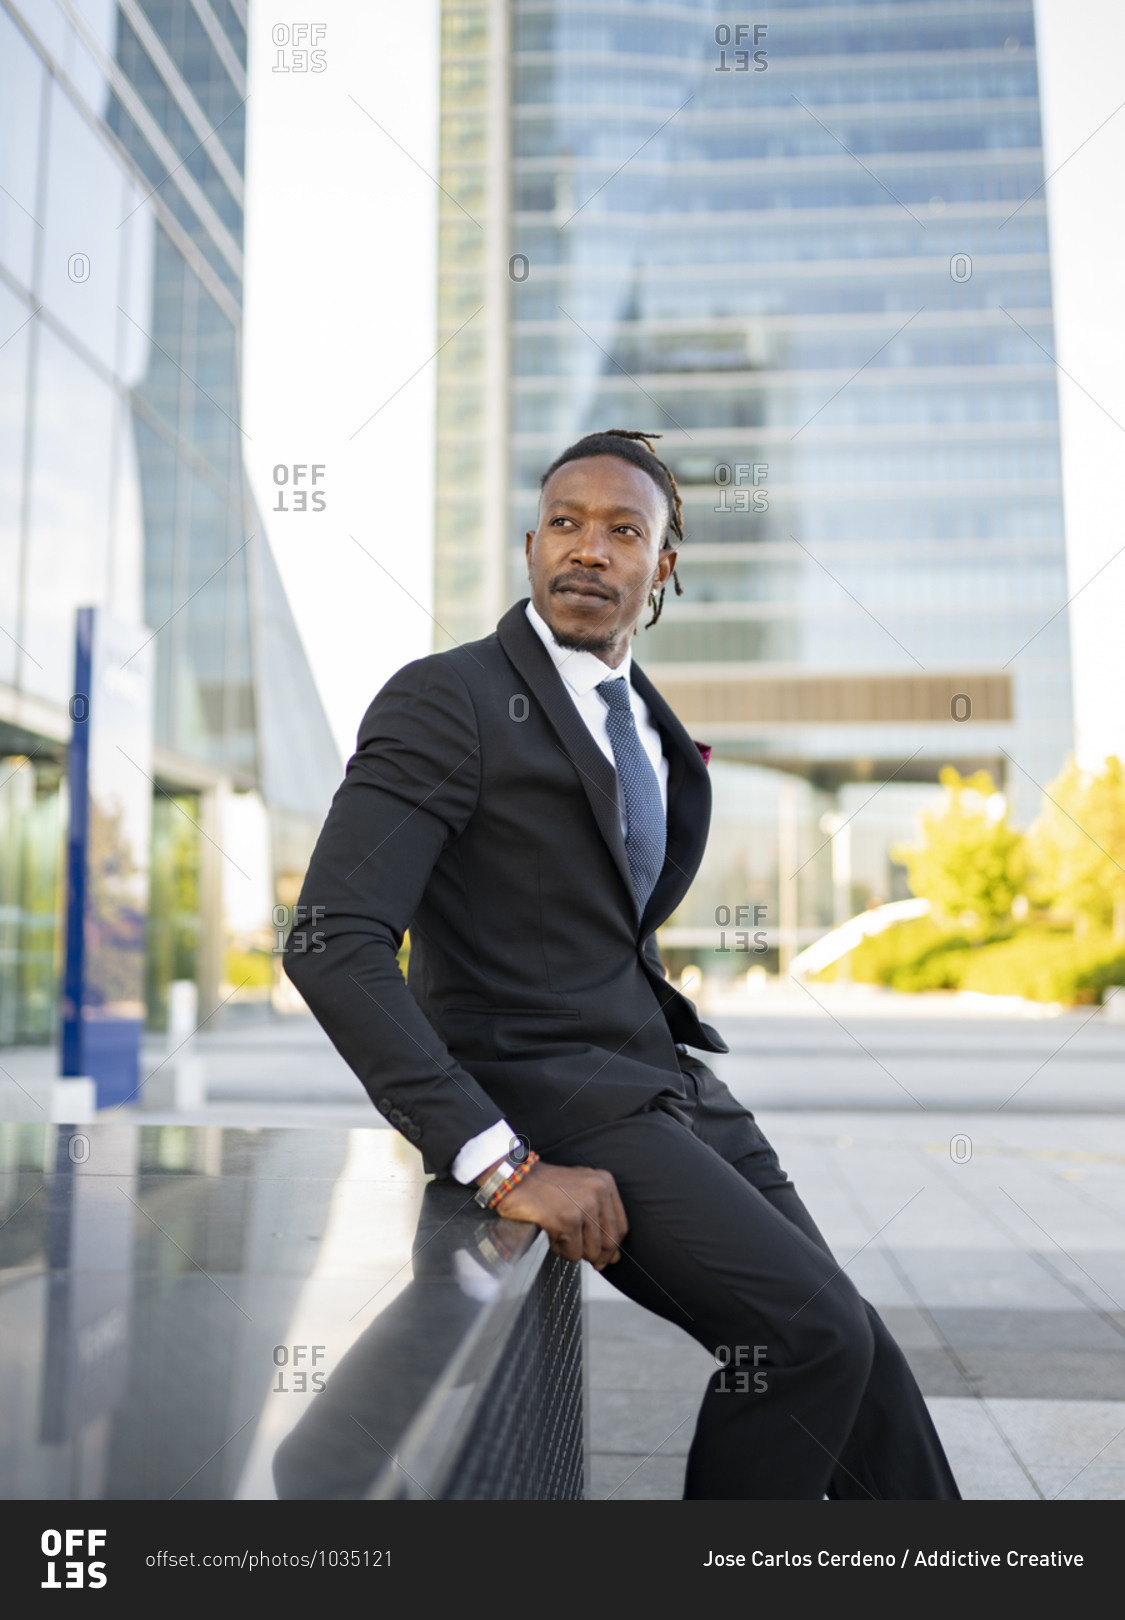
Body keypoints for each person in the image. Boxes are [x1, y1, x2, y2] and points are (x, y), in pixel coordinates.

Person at [283, 429, 960, 1500]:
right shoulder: (447, 699)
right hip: (552, 1102)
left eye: (622, 530)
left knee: (858, 1348)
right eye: (564, 523)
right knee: (807, 1336)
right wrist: (501, 1164)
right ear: (530, 545)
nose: (588, 549)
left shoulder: (644, 719)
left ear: (664, 567)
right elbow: (332, 939)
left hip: (666, 1082)